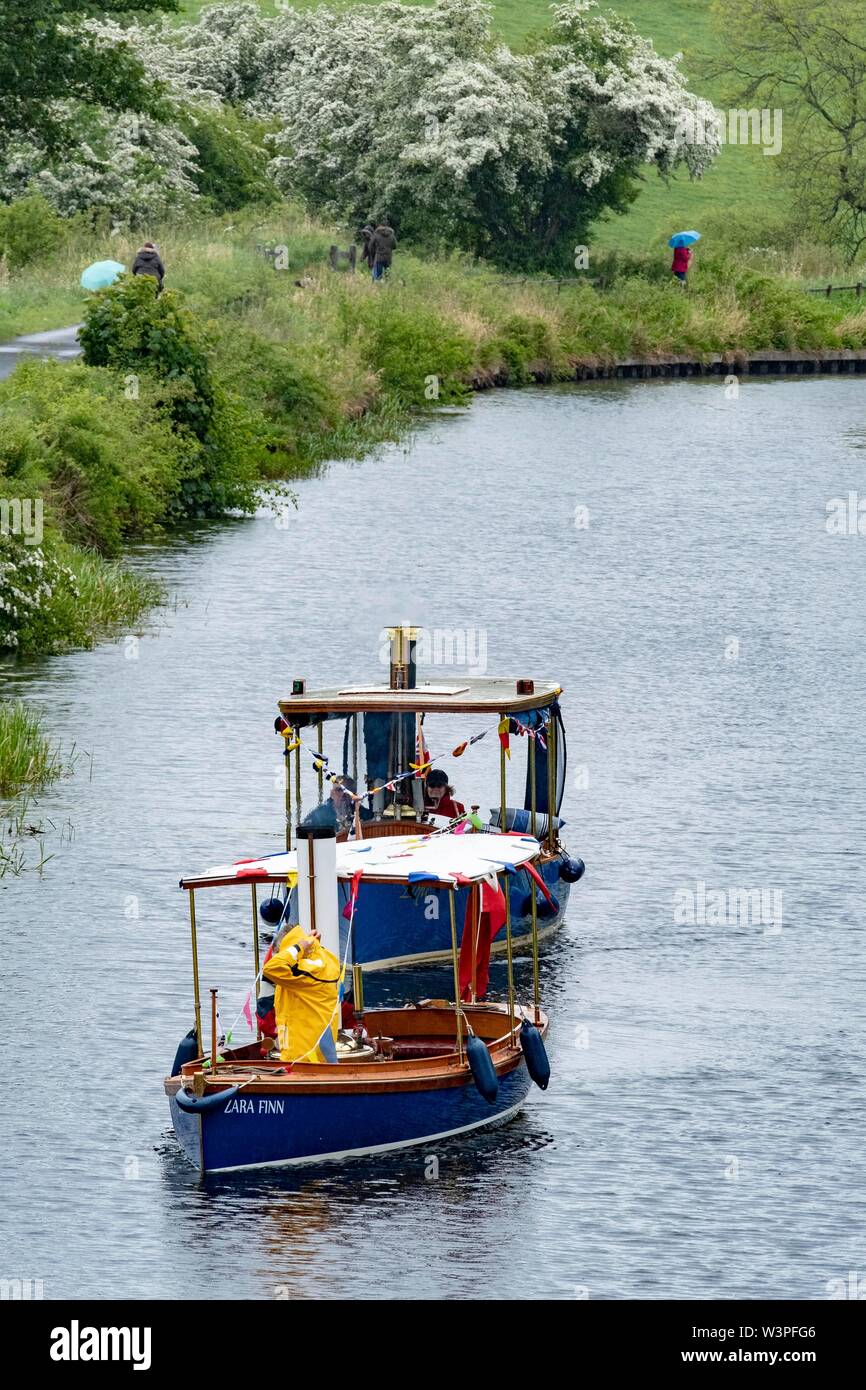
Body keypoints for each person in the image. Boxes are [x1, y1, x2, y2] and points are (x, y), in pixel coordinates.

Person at [262, 924, 342, 1063]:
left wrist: (299, 946)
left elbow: (271, 967)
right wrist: (312, 944)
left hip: (302, 1057)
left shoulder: (305, 969)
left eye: (283, 953)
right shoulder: (325, 961)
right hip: (318, 1054)